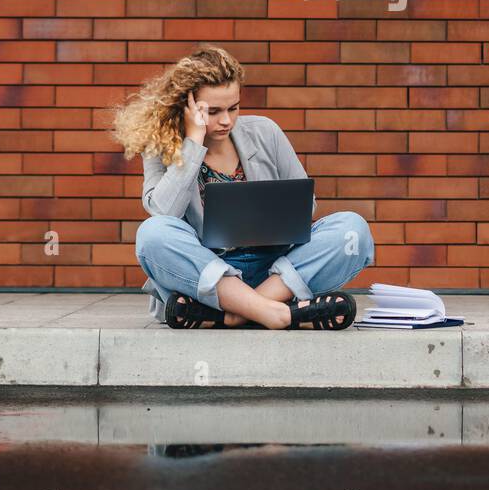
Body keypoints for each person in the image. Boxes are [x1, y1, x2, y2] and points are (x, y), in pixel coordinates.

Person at [109, 46, 375, 330]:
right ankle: (278, 312)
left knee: (352, 229)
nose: (226, 120)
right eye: (213, 111)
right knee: (152, 235)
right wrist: (193, 144)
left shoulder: (265, 131)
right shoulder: (160, 147)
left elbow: (305, 205)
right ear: (186, 105)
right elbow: (164, 213)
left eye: (233, 108)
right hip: (209, 272)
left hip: (277, 270)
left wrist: (269, 212)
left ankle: (239, 313)